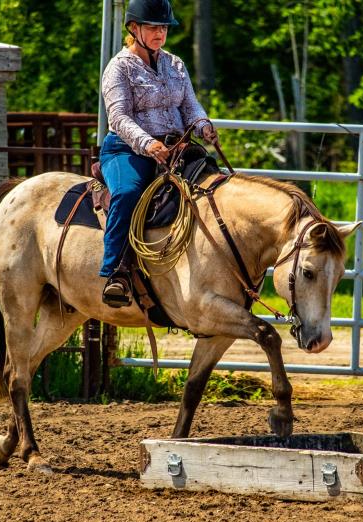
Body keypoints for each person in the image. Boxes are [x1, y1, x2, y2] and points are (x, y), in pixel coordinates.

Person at [99, 0, 218, 307]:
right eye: (152, 27)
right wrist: (147, 144)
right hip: (128, 149)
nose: (159, 33)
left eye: (163, 27)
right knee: (127, 193)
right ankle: (116, 272)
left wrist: (203, 125)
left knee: (215, 184)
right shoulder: (119, 68)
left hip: (175, 148)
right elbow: (119, 118)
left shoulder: (176, 65)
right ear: (134, 29)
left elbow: (189, 105)